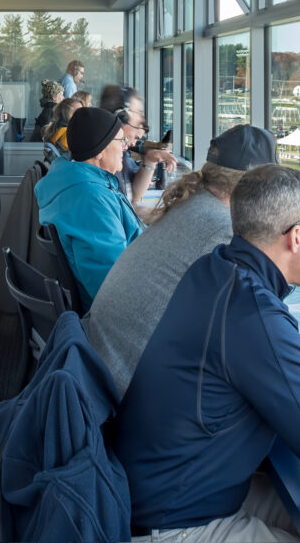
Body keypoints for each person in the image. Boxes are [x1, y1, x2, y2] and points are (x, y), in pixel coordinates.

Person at [116, 164, 300, 541]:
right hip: (177, 524)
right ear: (297, 236)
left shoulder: (216, 270)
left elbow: (275, 373)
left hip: (168, 494)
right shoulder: (253, 313)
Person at [83, 125, 276, 398]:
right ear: (256, 185)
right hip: (124, 392)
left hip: (100, 366)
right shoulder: (223, 229)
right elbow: (258, 333)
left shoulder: (191, 205)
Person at [35, 107, 144, 303]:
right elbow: (113, 287)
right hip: (124, 311)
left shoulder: (78, 184)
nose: (126, 147)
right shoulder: (91, 200)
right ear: (100, 151)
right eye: (121, 141)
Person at [116, 89, 177, 206]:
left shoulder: (123, 158)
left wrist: (149, 161)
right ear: (122, 116)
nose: (141, 119)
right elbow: (131, 201)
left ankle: (158, 146)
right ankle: (158, 145)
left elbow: (134, 194)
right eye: (138, 112)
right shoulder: (111, 163)